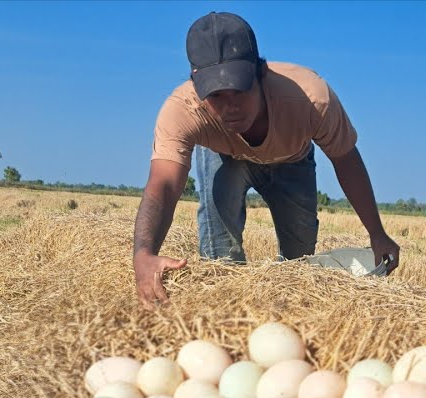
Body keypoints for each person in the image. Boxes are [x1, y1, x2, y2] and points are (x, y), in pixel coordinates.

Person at [132, 11, 401, 308]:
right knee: (219, 255)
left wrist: (377, 234)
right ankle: (226, 308)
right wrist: (143, 254)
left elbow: (346, 161)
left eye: (240, 90)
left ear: (261, 74)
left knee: (299, 266)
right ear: (196, 87)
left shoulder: (311, 99)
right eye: (216, 95)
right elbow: (164, 184)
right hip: (228, 157)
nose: (231, 106)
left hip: (292, 161)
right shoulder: (182, 110)